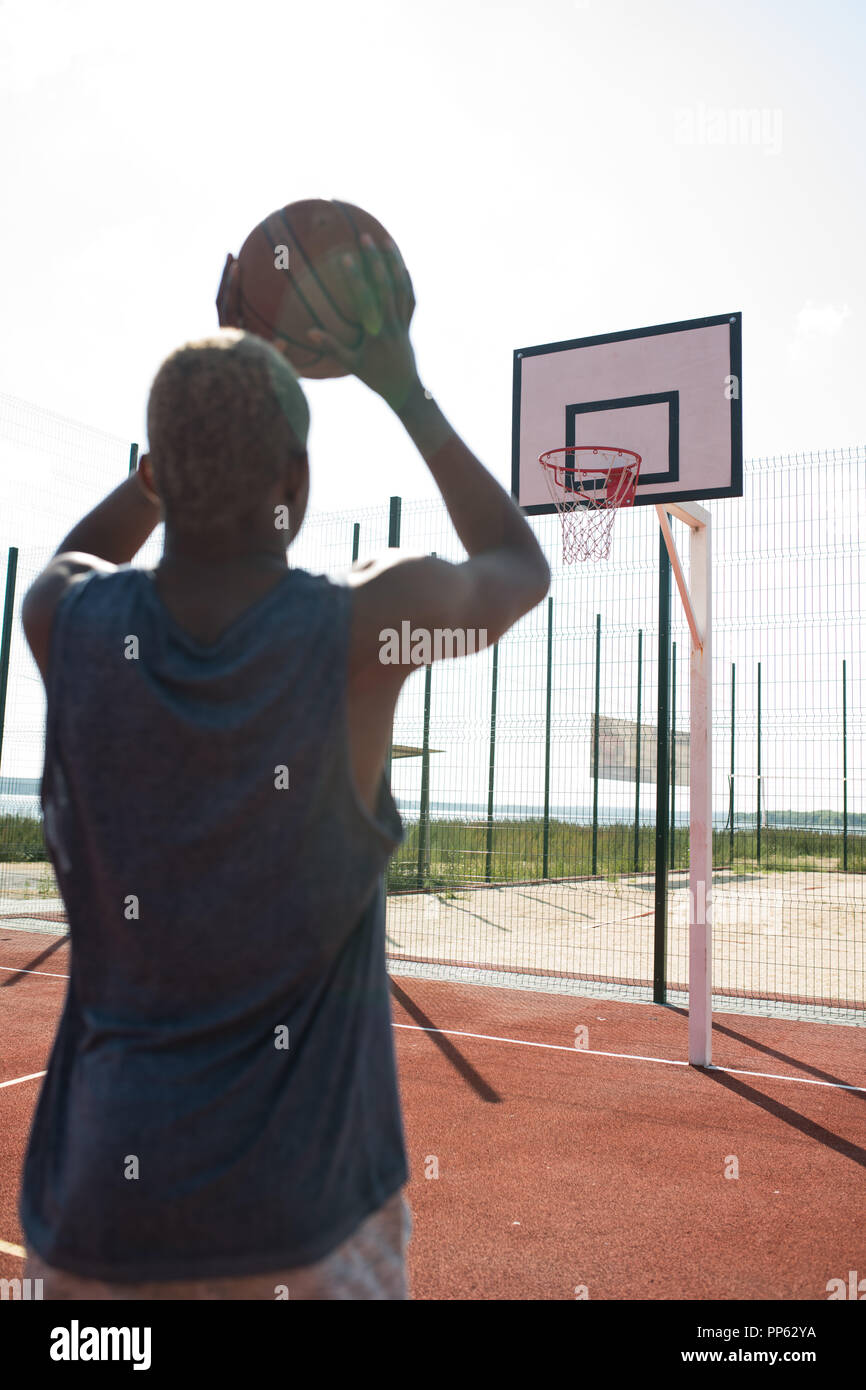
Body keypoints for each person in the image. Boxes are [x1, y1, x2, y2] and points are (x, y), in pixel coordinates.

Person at [18, 237, 550, 1299]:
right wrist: (402, 388)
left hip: (98, 1223)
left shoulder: (64, 621)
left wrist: (176, 448)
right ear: (296, 484)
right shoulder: (362, 629)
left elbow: (73, 558)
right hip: (301, 1230)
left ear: (158, 472)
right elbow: (517, 568)